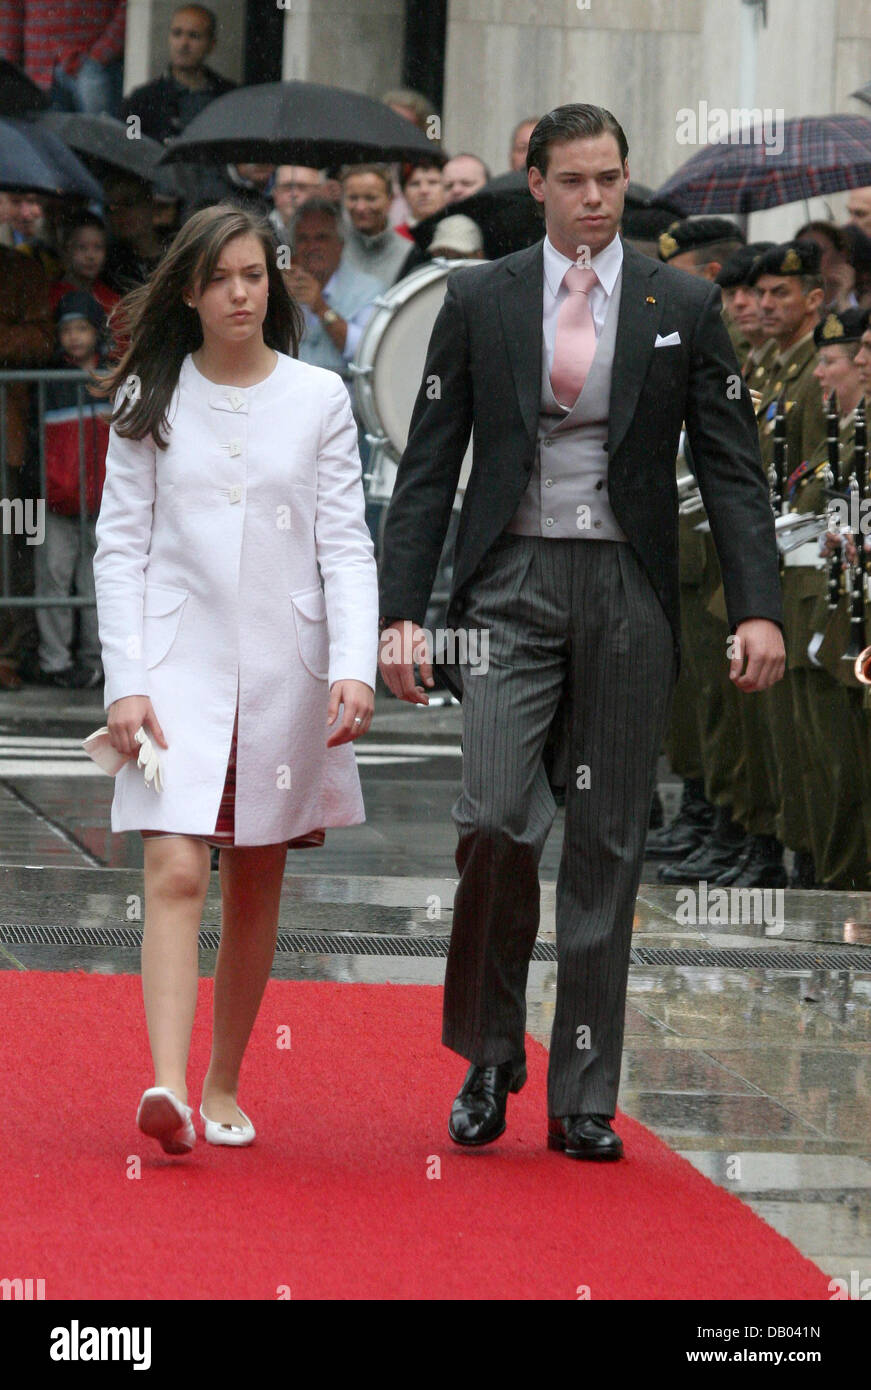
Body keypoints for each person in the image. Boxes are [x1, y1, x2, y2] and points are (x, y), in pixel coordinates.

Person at [377, 104, 784, 1161]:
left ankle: (585, 1092)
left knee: (608, 844)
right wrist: (401, 614)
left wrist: (756, 607)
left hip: (627, 590)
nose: (595, 198)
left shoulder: (682, 302)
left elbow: (733, 467)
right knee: (497, 815)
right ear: (537, 183)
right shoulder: (480, 297)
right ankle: (488, 1049)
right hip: (507, 583)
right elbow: (429, 467)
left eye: (609, 178)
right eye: (574, 180)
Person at [92, 203, 377, 1155]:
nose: (241, 293)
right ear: (189, 291)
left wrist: (352, 665)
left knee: (257, 875)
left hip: (287, 676)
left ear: (275, 281)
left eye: (255, 274)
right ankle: (165, 1088)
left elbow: (347, 543)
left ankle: (222, 1083)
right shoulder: (148, 400)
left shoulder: (319, 398)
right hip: (173, 668)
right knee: (174, 864)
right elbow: (118, 546)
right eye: (221, 278)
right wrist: (124, 681)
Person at [36, 290, 110, 689]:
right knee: (53, 579)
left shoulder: (113, 376)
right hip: (54, 499)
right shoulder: (46, 378)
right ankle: (55, 662)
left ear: (96, 332)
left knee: (96, 583)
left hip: (101, 502)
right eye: (67, 330)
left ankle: (96, 661)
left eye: (82, 328)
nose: (75, 337)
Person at [0, 241, 53, 690]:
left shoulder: (21, 268)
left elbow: (43, 339)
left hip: (12, 439)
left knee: (16, 541)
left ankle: (12, 650)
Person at [0, 0, 126, 116]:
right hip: (41, 71)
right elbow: (10, 14)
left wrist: (100, 55)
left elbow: (130, 8)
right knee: (47, 137)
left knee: (103, 134)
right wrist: (8, 73)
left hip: (98, 69)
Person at [340, 164, 416, 289]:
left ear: (390, 200)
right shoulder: (333, 248)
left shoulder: (409, 254)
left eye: (370, 198)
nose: (360, 207)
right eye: (353, 198)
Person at [394, 156, 447, 240]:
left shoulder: (460, 233)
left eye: (432, 182)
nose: (424, 190)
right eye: (415, 184)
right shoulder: (393, 238)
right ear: (404, 192)